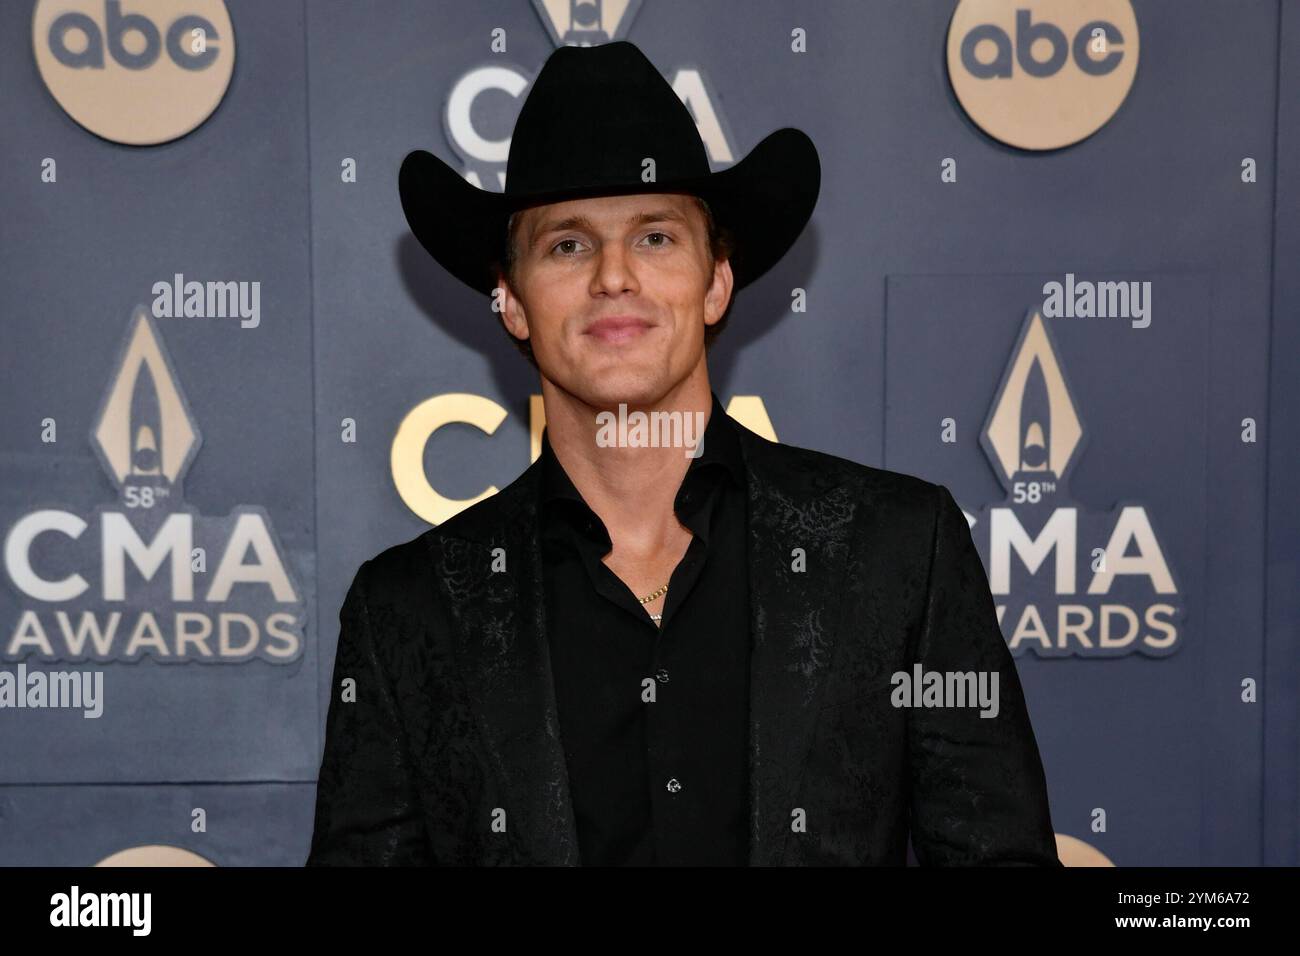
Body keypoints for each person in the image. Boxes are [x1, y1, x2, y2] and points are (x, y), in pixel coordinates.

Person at [307, 40, 1060, 866]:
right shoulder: (406, 612)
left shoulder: (900, 551)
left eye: (656, 236)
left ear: (715, 283)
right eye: (567, 244)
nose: (614, 276)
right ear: (512, 302)